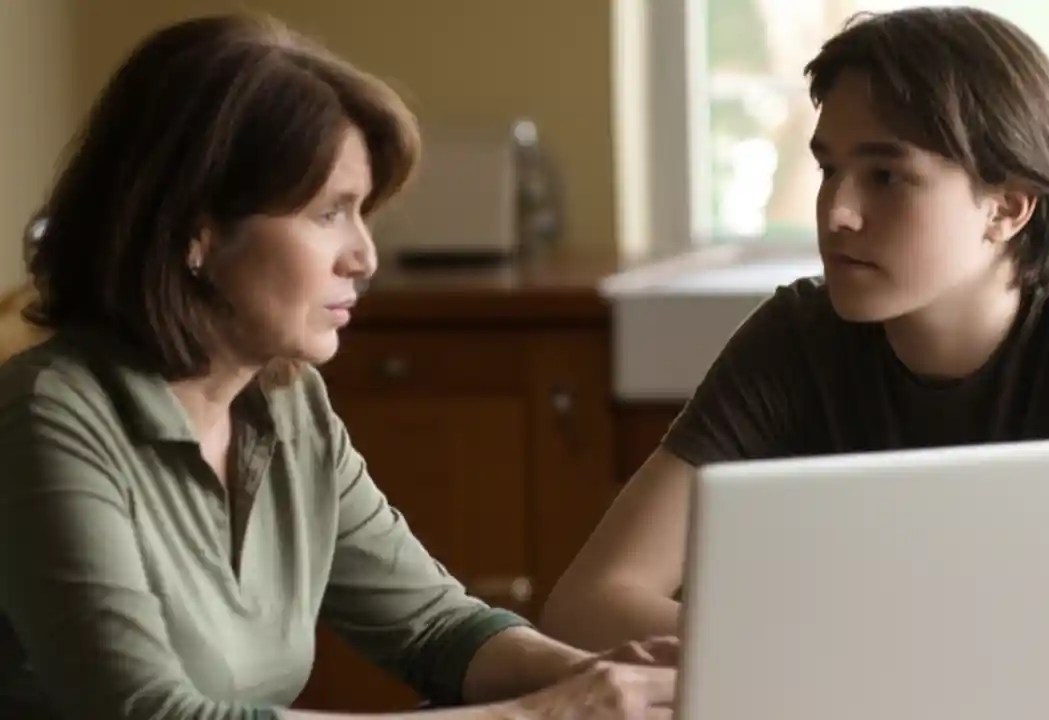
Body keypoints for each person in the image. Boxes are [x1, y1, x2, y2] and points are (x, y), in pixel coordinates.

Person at [542, 6, 1049, 700]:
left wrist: (891, 657)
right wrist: (901, 661)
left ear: (1008, 205)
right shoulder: (796, 338)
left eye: (886, 175)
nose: (836, 212)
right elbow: (587, 604)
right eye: (829, 168)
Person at [0, 14, 677, 720]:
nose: (365, 257)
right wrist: (546, 711)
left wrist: (617, 681)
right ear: (195, 229)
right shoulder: (49, 415)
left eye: (363, 214)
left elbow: (435, 628)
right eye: (329, 213)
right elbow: (151, 714)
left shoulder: (287, 405)